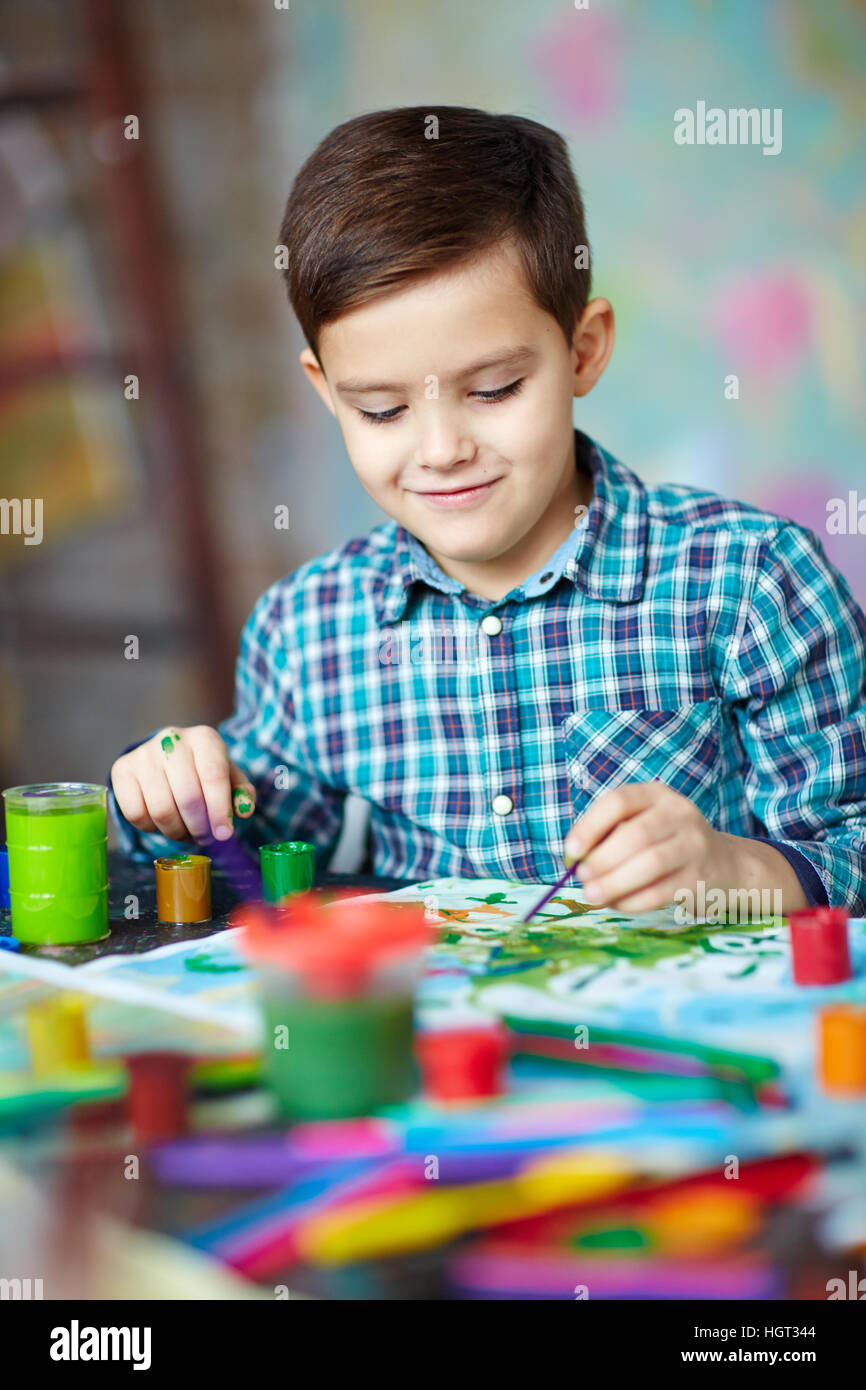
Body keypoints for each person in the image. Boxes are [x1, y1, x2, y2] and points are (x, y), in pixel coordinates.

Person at [110, 106, 866, 914]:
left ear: (583, 350)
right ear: (325, 390)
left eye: (495, 389)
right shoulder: (307, 631)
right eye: (380, 410)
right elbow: (249, 852)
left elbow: (853, 841)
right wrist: (174, 788)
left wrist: (737, 872)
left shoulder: (748, 579)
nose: (441, 449)